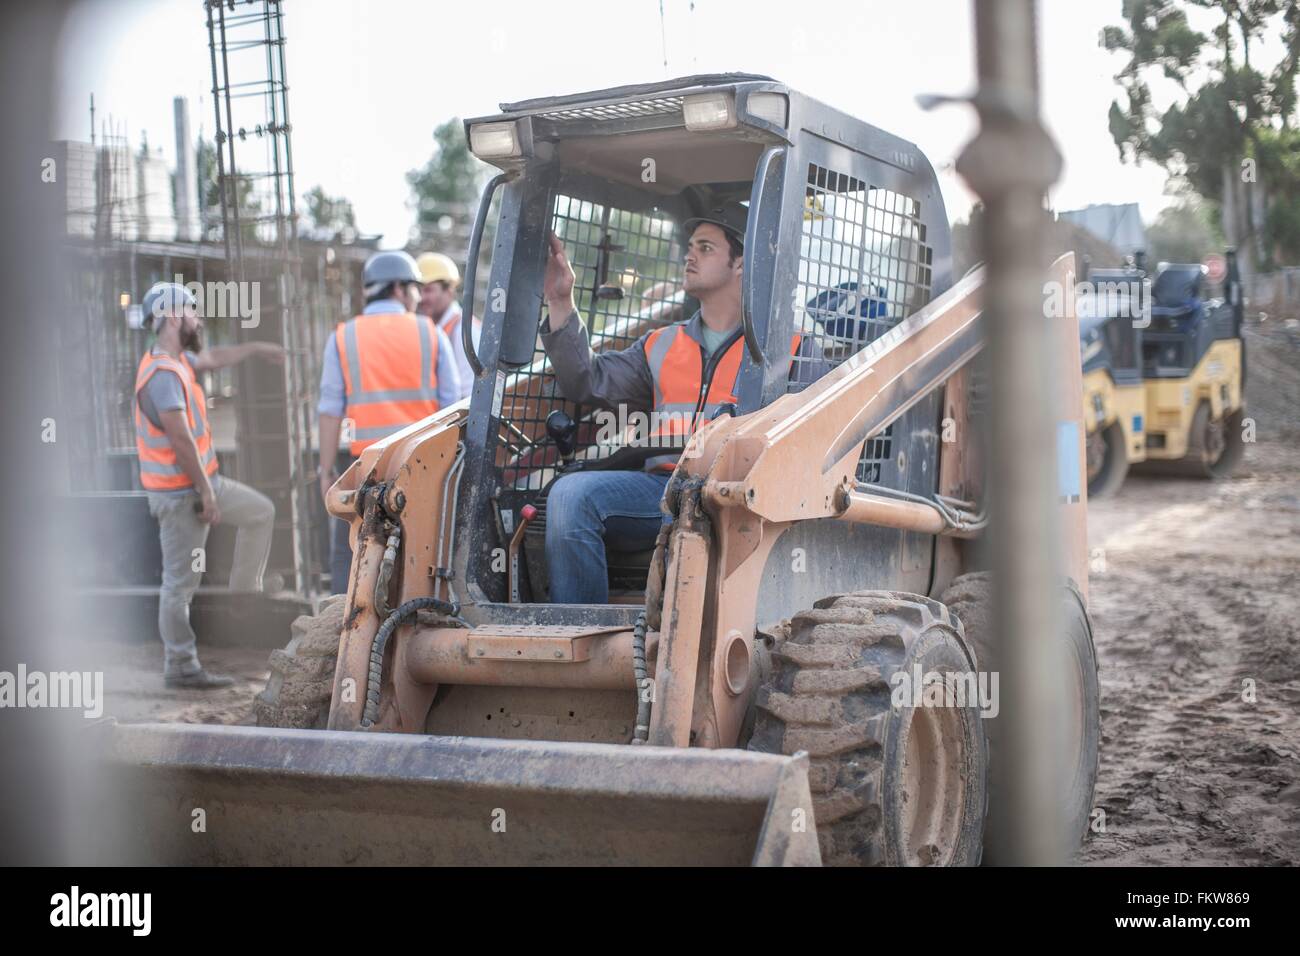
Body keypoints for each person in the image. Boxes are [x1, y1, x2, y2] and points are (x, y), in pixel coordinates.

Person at [539, 204, 752, 603]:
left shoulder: (785, 349)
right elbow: (586, 379)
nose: (690, 255)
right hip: (662, 492)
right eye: (690, 246)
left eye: (705, 248)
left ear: (740, 263)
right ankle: (576, 634)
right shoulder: (660, 344)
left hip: (737, 498)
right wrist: (559, 299)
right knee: (570, 494)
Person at [134, 281, 283, 688]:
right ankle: (180, 665)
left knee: (260, 512)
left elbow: (214, 357)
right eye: (193, 311)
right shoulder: (163, 375)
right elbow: (181, 441)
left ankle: (243, 593)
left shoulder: (178, 362)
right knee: (180, 584)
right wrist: (206, 494)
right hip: (181, 493)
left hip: (198, 484)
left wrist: (256, 349)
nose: (198, 318)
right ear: (173, 317)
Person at [318, 250, 461, 591]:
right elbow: (453, 408)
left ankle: (341, 629)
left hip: (364, 468)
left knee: (351, 550)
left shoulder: (343, 337)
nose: (419, 297)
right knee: (420, 551)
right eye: (415, 288)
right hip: (420, 466)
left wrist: (325, 470)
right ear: (399, 288)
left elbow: (329, 408)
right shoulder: (431, 334)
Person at [416, 251, 480, 401]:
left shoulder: (465, 331)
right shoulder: (430, 329)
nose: (422, 298)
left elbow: (469, 394)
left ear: (449, 291)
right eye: (419, 291)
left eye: (428, 290)